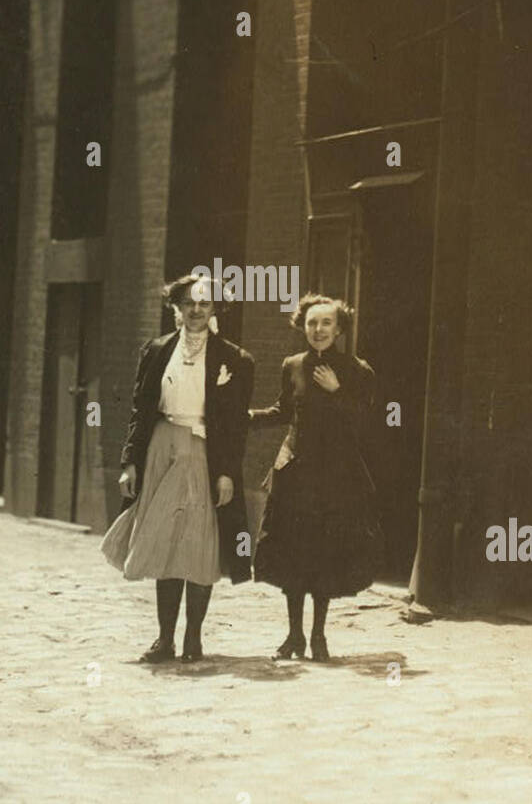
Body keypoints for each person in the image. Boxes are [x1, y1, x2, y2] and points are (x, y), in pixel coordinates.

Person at [102, 274, 254, 662]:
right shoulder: (155, 351)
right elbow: (140, 410)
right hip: (162, 449)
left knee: (199, 543)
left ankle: (193, 639)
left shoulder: (235, 360)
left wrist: (226, 473)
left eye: (205, 303)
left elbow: (236, 425)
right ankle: (164, 638)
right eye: (189, 302)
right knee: (166, 541)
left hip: (207, 455)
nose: (197, 310)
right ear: (178, 307)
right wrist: (130, 462)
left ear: (215, 308)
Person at [249, 294, 383, 661]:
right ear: (302, 326)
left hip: (336, 477)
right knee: (293, 552)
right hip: (295, 472)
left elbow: (366, 424)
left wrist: (337, 391)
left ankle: (319, 637)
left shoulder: (358, 370)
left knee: (325, 554)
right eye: (311, 323)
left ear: (339, 328)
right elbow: (283, 410)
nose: (318, 330)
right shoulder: (292, 365)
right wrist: (247, 417)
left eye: (326, 323)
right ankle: (293, 636)